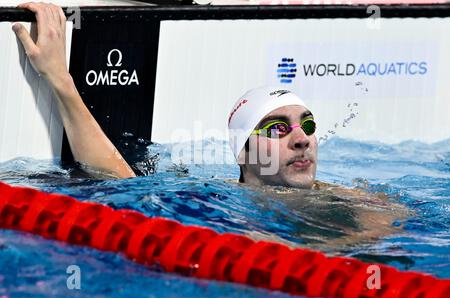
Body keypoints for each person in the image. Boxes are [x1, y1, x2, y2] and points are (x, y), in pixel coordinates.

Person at [12, 2, 412, 248]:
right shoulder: (213, 202)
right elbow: (117, 178)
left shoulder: (353, 200)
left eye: (306, 125)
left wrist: (311, 253)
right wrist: (58, 78)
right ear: (242, 152)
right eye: (276, 128)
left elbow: (394, 222)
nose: (301, 139)